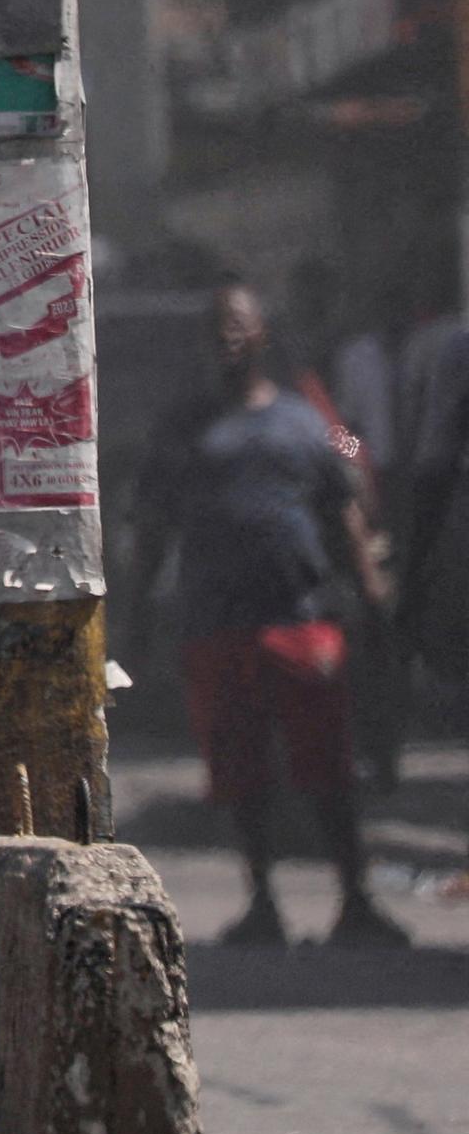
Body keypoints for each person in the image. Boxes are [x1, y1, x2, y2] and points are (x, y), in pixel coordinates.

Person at [138, 281, 409, 950]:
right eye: (216, 327)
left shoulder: (305, 421)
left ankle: (356, 900)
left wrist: (372, 595)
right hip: (216, 625)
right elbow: (150, 524)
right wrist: (137, 610)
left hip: (302, 618)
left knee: (328, 766)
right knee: (240, 771)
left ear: (261, 336)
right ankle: (263, 902)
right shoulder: (182, 428)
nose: (227, 336)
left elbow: (343, 512)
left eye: (238, 325)